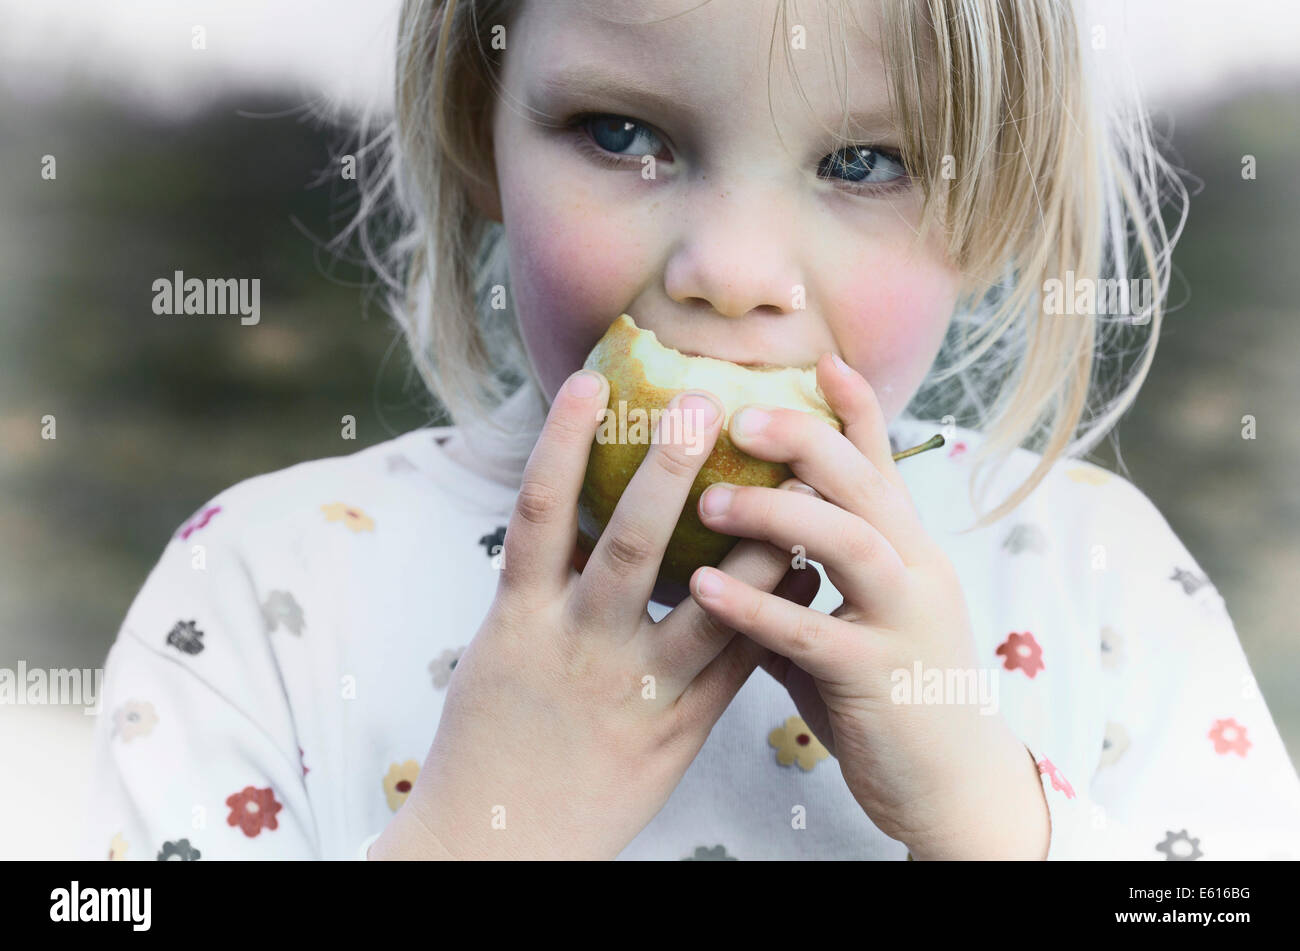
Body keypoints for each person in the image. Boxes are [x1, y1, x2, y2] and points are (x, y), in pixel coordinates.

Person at [85, 0, 1300, 860]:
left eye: (865, 160)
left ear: (994, 207)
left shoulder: (1095, 579)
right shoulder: (263, 582)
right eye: (622, 134)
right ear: (478, 128)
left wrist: (997, 828)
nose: (729, 271)